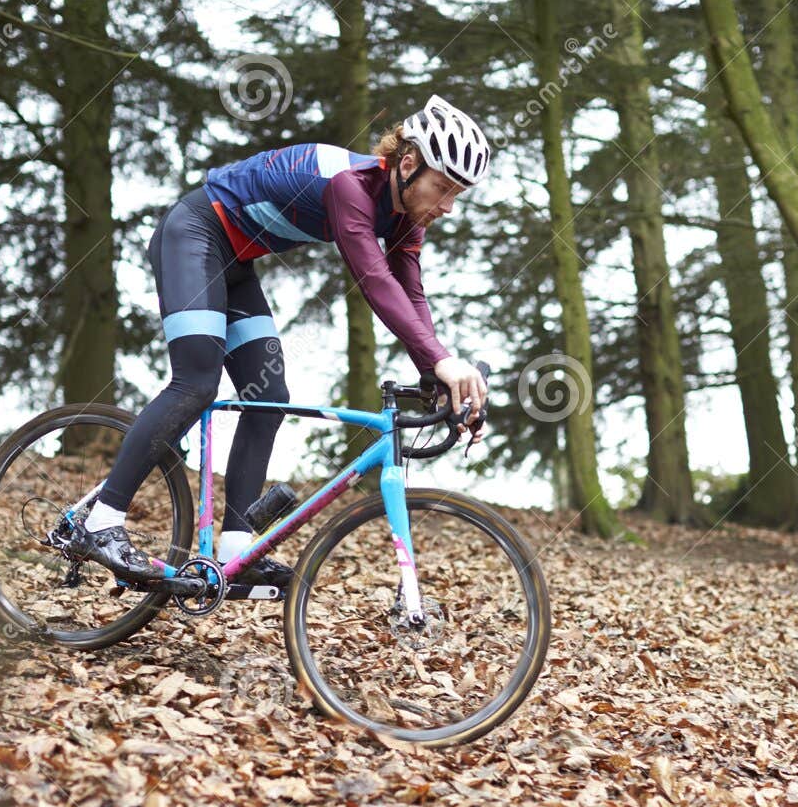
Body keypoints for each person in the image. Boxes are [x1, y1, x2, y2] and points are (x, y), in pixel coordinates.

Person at [65, 95, 492, 588]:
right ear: (409, 163)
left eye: (458, 194)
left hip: (235, 262)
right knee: (197, 383)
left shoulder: (403, 219)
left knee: (268, 398)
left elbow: (409, 294)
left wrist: (435, 375)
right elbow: (374, 281)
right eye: (442, 188)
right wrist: (439, 360)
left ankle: (235, 552)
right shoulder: (349, 187)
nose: (447, 207)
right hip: (194, 233)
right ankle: (101, 522)